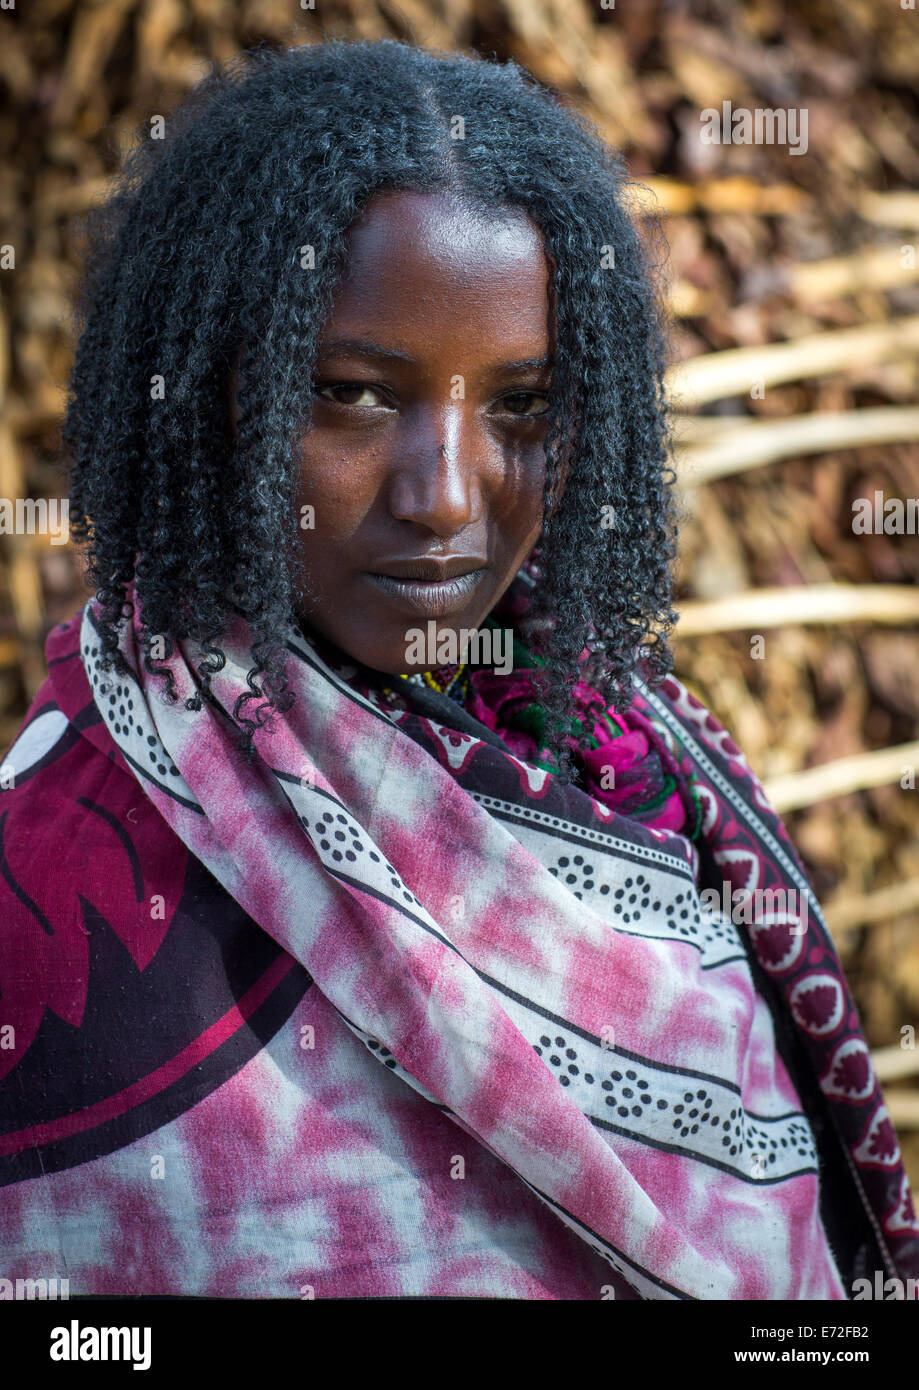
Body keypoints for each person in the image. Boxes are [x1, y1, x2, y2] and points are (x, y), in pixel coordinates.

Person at [1, 37, 915, 1301]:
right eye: (354, 397)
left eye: (522, 405)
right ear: (214, 396)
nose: (445, 497)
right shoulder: (54, 895)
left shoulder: (647, 766)